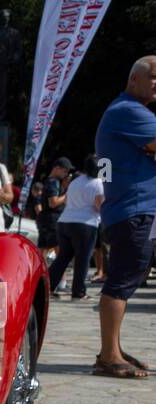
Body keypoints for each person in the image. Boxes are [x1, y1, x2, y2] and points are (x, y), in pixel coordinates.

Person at [93, 55, 156, 379]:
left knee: (126, 278)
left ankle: (113, 348)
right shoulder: (130, 112)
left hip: (133, 210)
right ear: (134, 80)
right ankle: (108, 354)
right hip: (135, 210)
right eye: (154, 77)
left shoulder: (127, 111)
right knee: (121, 281)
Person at [48, 154, 105, 299]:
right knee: (82, 259)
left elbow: (68, 200)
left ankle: (47, 286)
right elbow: (99, 206)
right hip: (85, 224)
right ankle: (79, 292)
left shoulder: (75, 181)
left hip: (65, 221)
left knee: (62, 258)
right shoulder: (98, 183)